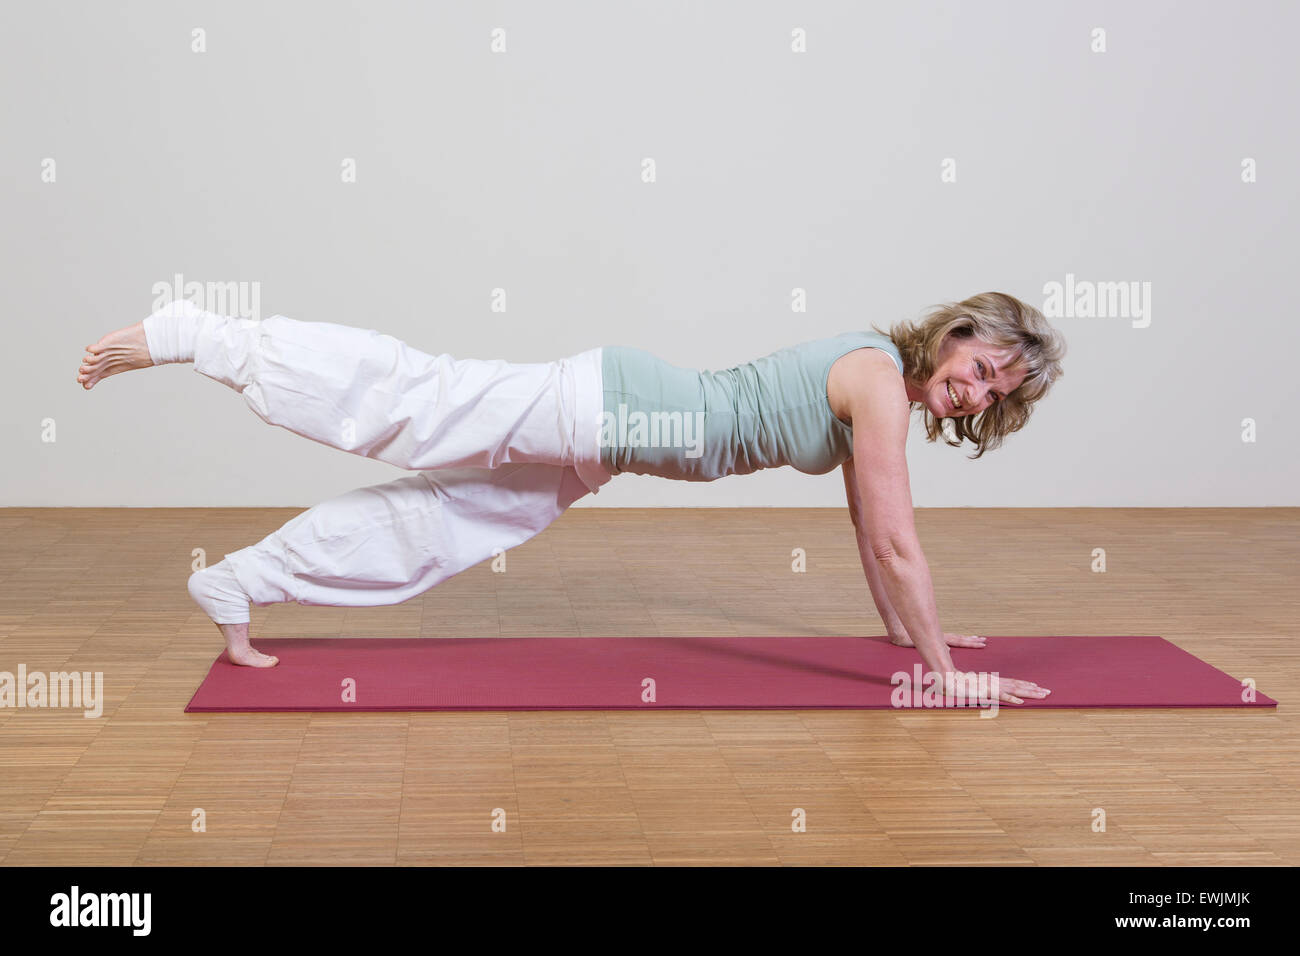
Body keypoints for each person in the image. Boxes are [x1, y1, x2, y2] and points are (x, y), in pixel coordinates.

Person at [76, 291, 1064, 704]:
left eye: (993, 392)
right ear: (948, 336)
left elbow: (868, 526)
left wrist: (905, 641)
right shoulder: (881, 380)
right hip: (611, 404)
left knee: (441, 525)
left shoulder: (878, 388)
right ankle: (196, 334)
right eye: (976, 366)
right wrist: (943, 671)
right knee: (415, 395)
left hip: (602, 446)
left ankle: (245, 581)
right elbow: (896, 537)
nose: (973, 393)